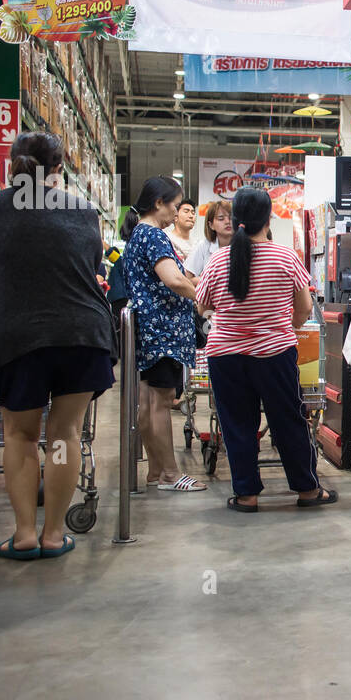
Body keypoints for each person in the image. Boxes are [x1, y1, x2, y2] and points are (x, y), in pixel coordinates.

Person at [0, 131, 116, 561]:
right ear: (58, 169)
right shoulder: (83, 211)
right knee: (64, 434)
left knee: (21, 434)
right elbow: (92, 265)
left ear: (11, 162)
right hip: (83, 334)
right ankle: (54, 535)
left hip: (23, 335)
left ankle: (25, 535)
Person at [196, 188, 337, 512]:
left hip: (226, 356)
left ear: (235, 219)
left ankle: (247, 496)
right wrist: (281, 326)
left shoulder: (218, 260)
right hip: (274, 354)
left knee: (237, 424)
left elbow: (202, 306)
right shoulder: (284, 257)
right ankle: (306, 490)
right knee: (288, 420)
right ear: (268, 218)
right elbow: (303, 308)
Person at [122, 176, 205, 492]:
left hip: (149, 332)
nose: (177, 210)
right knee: (160, 401)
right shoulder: (154, 236)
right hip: (163, 333)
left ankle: (156, 471)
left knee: (148, 400)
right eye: (174, 204)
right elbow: (173, 279)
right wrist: (202, 297)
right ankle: (171, 473)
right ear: (159, 203)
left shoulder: (138, 236)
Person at [184, 200, 233, 281]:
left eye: (231, 218)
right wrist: (211, 281)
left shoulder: (243, 246)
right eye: (221, 218)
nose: (227, 222)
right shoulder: (203, 246)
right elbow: (188, 278)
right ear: (211, 225)